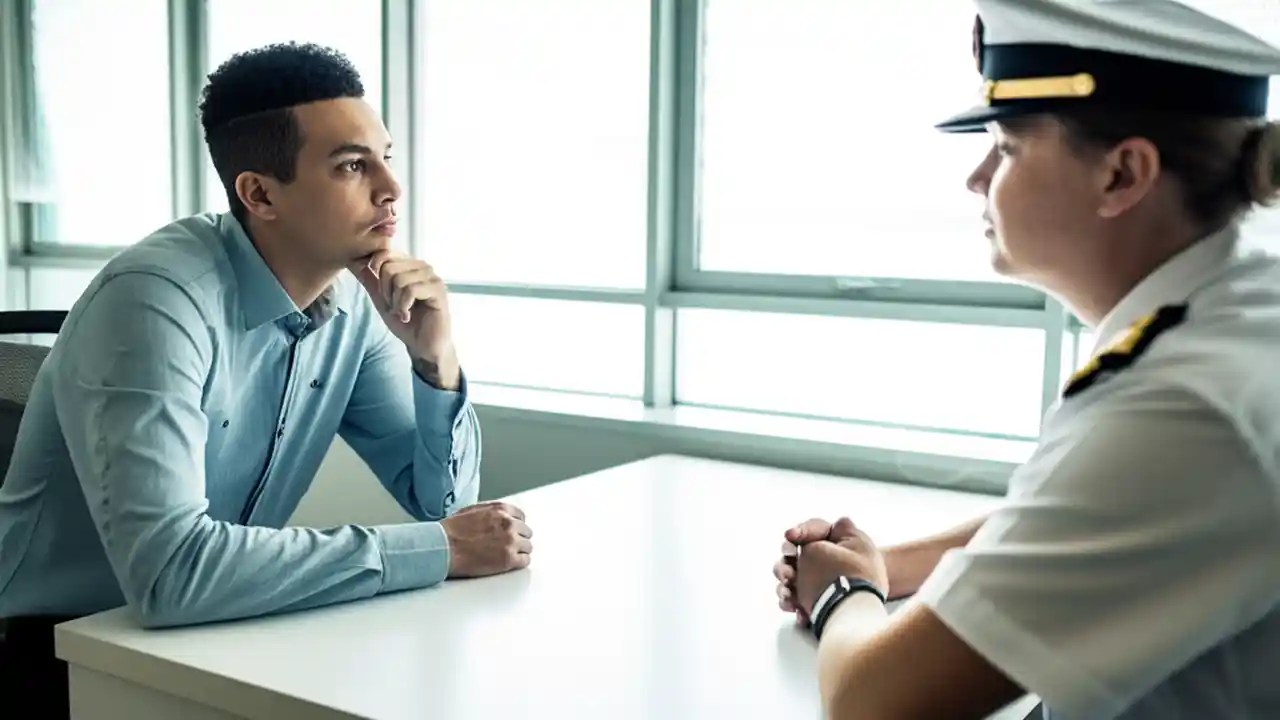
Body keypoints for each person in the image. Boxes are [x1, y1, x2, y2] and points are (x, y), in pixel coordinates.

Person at [772, 1, 1280, 717]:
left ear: (1122, 174)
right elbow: (1090, 514)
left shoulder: (1186, 404)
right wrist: (888, 565)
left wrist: (841, 594)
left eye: (1006, 147)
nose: (977, 178)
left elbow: (869, 702)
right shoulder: (1238, 319)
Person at [0, 42, 534, 717]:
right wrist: (440, 551)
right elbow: (171, 575)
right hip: (55, 650)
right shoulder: (153, 300)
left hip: (217, 629)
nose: (391, 188)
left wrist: (435, 359)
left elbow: (445, 500)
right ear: (259, 193)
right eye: (351, 165)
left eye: (386, 157)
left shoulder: (352, 308)